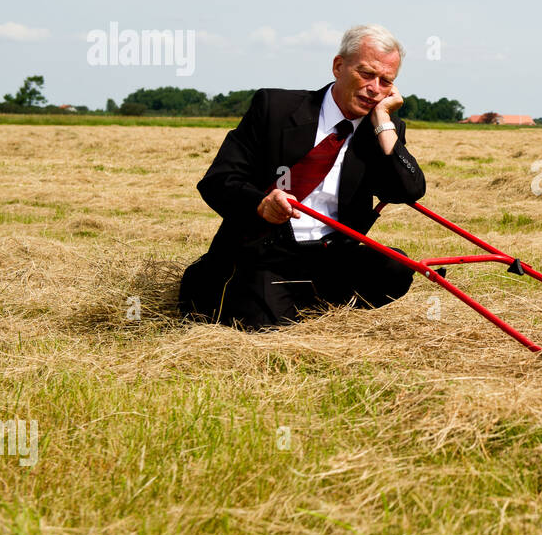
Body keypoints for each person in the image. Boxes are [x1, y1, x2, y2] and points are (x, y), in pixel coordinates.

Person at [178, 23, 426, 329]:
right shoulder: (274, 108)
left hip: (332, 258)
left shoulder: (381, 129)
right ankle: (260, 299)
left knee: (396, 268)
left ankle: (308, 302)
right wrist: (261, 204)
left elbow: (408, 191)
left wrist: (385, 122)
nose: (374, 88)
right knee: (267, 327)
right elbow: (218, 180)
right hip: (266, 252)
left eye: (386, 81)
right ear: (338, 66)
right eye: (366, 73)